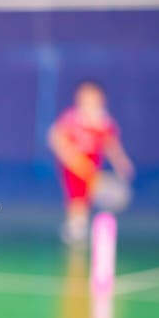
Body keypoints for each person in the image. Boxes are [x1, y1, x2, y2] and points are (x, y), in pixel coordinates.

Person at [47, 81, 133, 244]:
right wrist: (70, 156)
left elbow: (111, 145)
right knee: (77, 195)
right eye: (85, 98)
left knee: (89, 196)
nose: (89, 102)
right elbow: (56, 137)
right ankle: (76, 227)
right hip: (75, 164)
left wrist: (121, 162)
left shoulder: (104, 122)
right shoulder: (72, 118)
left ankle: (84, 226)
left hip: (94, 166)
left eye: (93, 98)